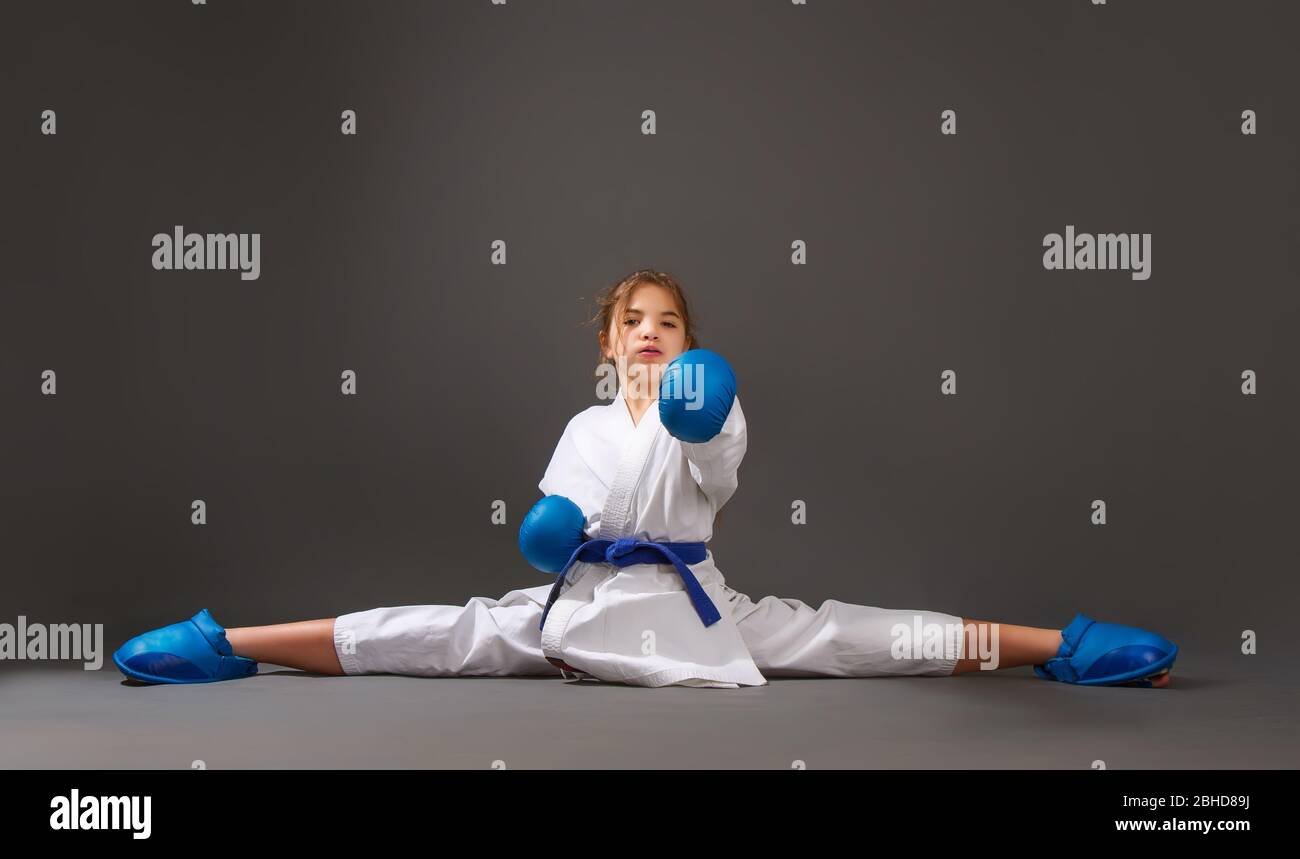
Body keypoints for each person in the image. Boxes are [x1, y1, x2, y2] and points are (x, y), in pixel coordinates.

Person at [113, 270, 1177, 689]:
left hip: (695, 602)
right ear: (608, 342)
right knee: (426, 631)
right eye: (636, 321)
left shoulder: (705, 402)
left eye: (670, 323)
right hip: (577, 605)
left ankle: (1058, 646)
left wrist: (703, 416)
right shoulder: (585, 421)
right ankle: (228, 642)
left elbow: (713, 471)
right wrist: (555, 525)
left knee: (859, 634)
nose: (653, 333)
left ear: (689, 344)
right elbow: (570, 506)